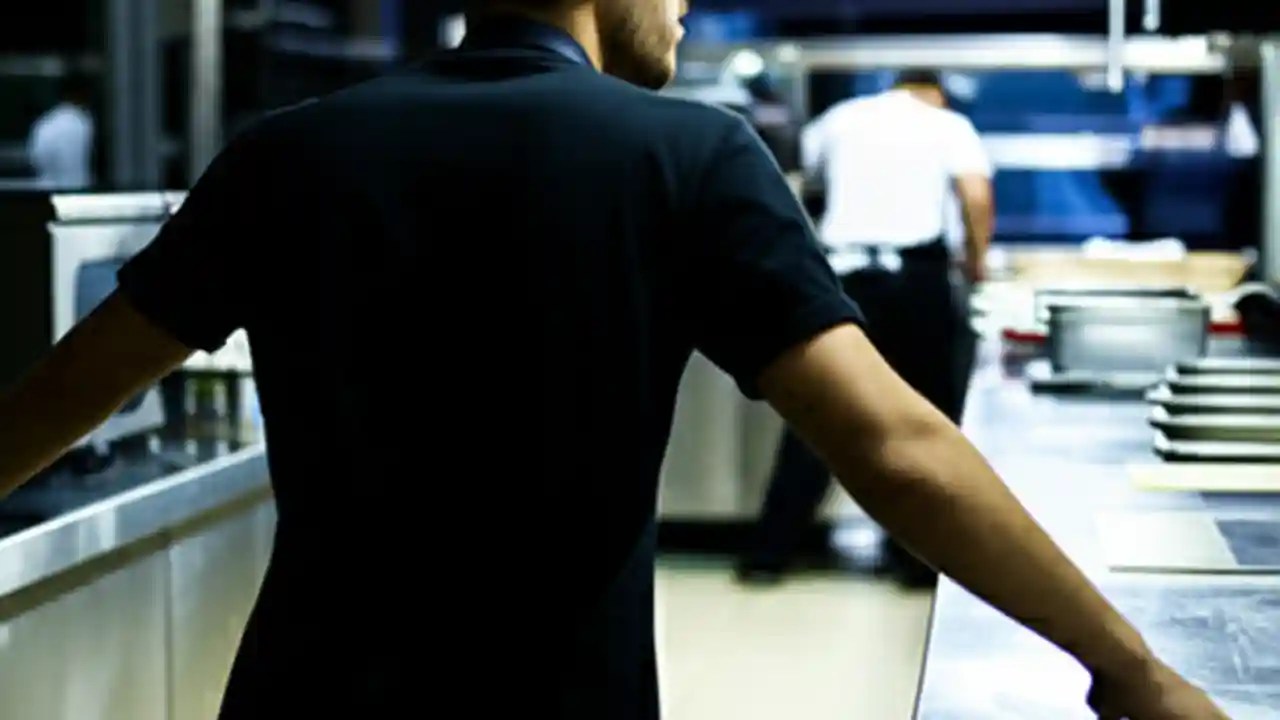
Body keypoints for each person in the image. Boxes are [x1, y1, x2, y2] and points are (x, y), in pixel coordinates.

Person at [0, 1, 1225, 718]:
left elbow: (60, 395)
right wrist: (1129, 670)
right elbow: (895, 448)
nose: (690, 5)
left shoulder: (286, 154)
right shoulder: (686, 157)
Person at [738, 70, 994, 589]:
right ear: (933, 92)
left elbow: (795, 183)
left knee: (819, 414)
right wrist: (977, 262)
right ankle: (916, 561)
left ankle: (768, 554)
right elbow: (976, 195)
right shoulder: (947, 124)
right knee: (923, 416)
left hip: (843, 275)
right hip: (914, 280)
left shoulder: (840, 119)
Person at [27, 70, 96, 190]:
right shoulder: (82, 121)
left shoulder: (46, 122)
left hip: (46, 194)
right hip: (77, 194)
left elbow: (34, 157)